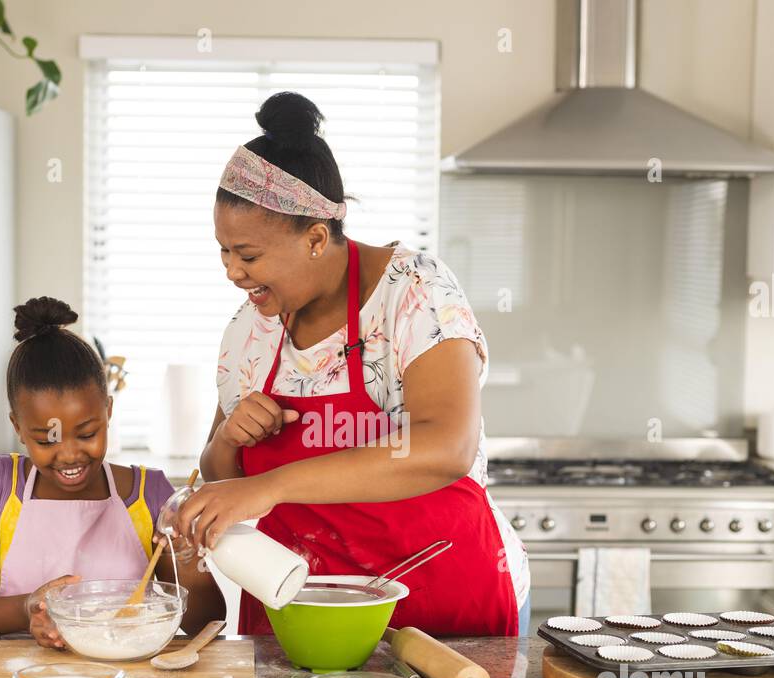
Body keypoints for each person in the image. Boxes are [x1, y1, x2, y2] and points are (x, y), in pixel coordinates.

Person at [177, 92, 530, 637]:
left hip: (437, 597)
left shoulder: (413, 293)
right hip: (302, 608)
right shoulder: (251, 327)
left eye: (247, 256)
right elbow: (227, 478)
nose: (233, 273)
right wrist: (226, 443)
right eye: (223, 251)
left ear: (317, 238)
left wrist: (272, 485)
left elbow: (446, 447)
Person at [0, 296, 224, 646]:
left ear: (109, 411)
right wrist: (27, 610)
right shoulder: (0, 484)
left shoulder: (152, 494)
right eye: (46, 440)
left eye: (87, 434)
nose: (69, 454)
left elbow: (207, 622)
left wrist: (187, 560)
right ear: (18, 427)